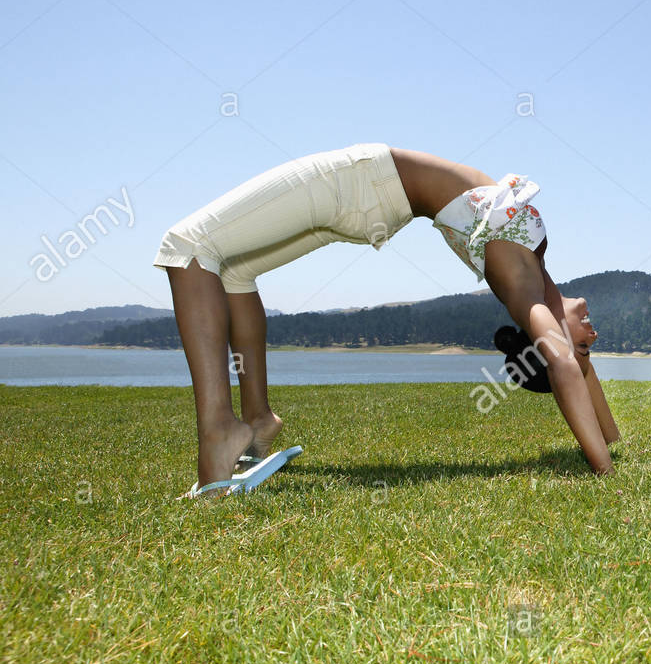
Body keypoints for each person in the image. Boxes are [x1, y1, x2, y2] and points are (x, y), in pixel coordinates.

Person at [154, 144, 619, 495]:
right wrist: (601, 414)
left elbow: (561, 362)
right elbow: (575, 369)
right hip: (373, 198)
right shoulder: (537, 268)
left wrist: (604, 472)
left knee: (187, 245)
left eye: (585, 343)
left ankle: (218, 431)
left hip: (363, 184)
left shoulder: (521, 285)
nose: (592, 333)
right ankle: (257, 419)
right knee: (236, 270)